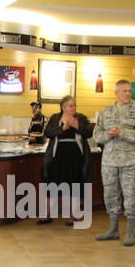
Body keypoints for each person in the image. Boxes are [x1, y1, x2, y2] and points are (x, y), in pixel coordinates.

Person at [92, 80, 135, 246]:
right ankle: (113, 229)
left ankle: (130, 232)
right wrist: (108, 135)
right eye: (124, 91)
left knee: (131, 197)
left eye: (129, 91)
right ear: (116, 93)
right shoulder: (106, 111)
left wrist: (122, 133)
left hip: (131, 161)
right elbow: (97, 135)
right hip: (109, 162)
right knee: (110, 195)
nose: (128, 94)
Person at [39, 95, 92, 226]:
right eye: (70, 106)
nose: (73, 108)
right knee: (52, 185)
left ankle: (72, 217)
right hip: (57, 156)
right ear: (63, 108)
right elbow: (48, 132)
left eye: (74, 105)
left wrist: (76, 124)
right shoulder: (55, 118)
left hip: (75, 157)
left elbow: (88, 132)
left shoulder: (81, 117)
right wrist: (61, 129)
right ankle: (47, 215)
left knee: (75, 186)